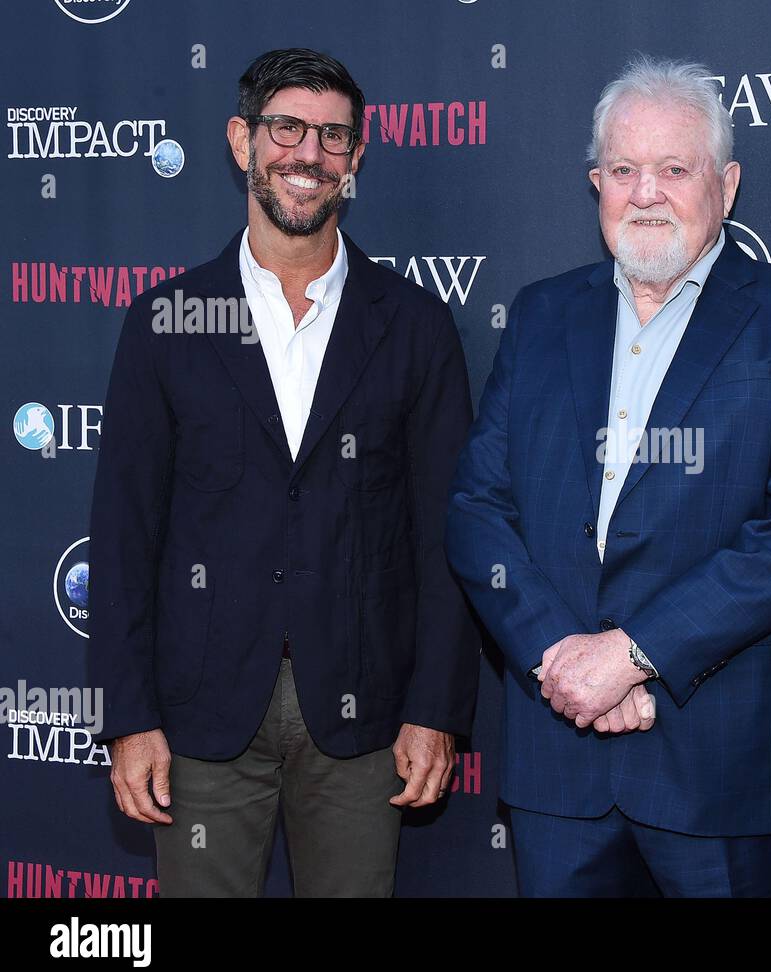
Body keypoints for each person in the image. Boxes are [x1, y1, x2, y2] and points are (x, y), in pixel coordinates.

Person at [446, 56, 771, 897]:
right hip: (561, 769)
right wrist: (563, 657)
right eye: (624, 170)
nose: (646, 192)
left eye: (676, 168)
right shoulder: (539, 314)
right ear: (595, 182)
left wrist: (634, 655)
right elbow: (477, 509)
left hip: (729, 771)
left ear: (727, 184)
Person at [89, 48, 480, 896]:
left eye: (333, 136)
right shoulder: (166, 321)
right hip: (198, 711)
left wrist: (438, 707)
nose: (309, 155)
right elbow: (122, 536)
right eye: (287, 129)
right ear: (242, 141)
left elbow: (448, 532)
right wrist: (128, 717)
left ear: (358, 153)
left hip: (364, 711)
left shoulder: (413, 326)